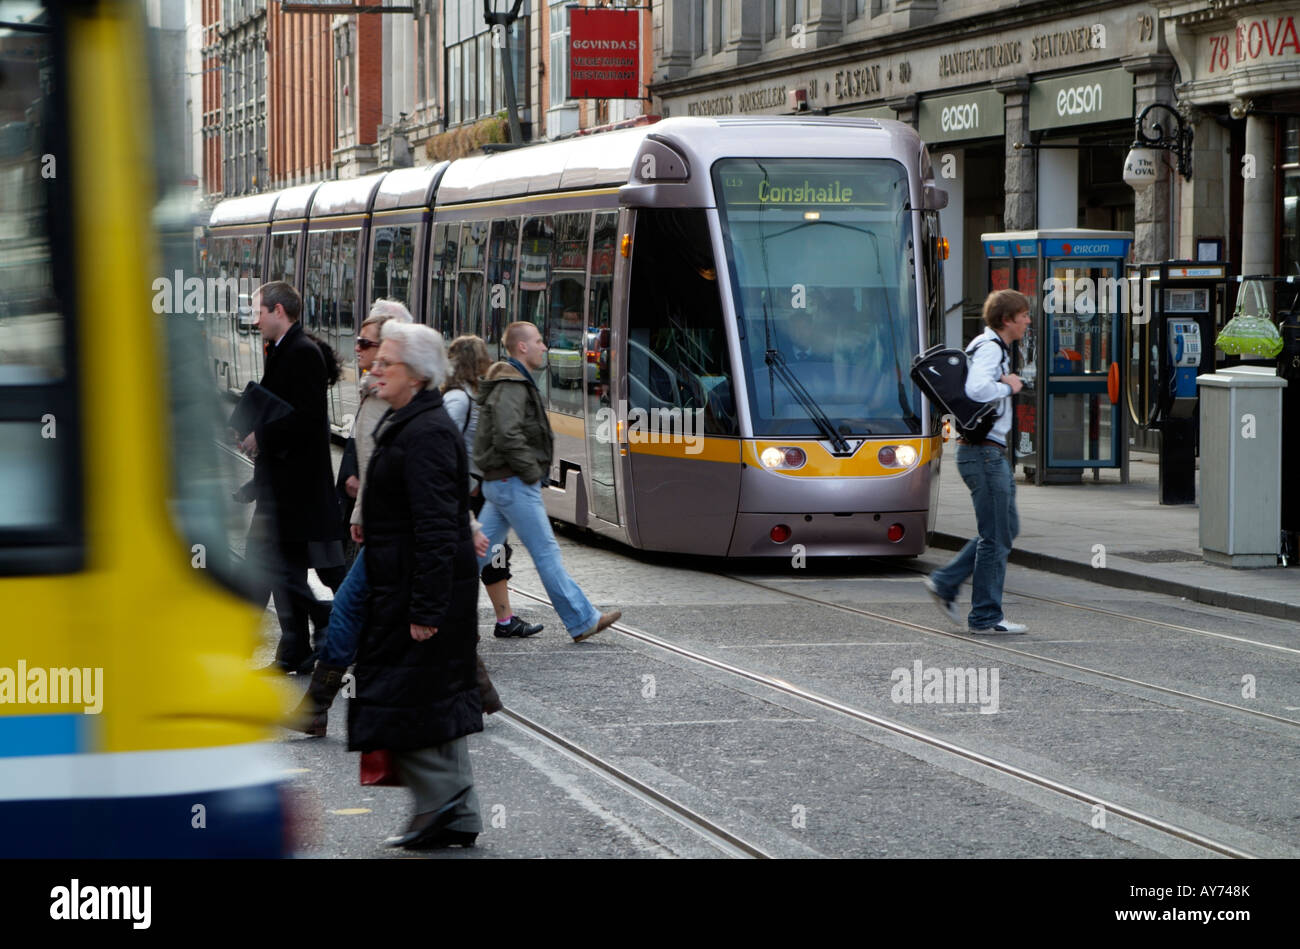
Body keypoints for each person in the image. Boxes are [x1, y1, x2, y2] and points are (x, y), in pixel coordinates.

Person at [347, 322, 483, 849]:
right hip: (409, 583)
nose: (375, 369)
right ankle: (460, 814)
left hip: (417, 589)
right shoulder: (412, 420)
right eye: (377, 361)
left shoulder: (425, 431)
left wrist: (426, 609)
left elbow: (434, 524)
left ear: (418, 374)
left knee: (401, 698)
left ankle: (442, 799)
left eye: (387, 364)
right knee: (436, 702)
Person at [474, 321, 621, 642]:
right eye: (539, 341)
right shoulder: (512, 384)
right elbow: (507, 433)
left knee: (476, 553)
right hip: (512, 483)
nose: (544, 347)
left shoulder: (515, 380)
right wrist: (530, 473)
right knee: (546, 553)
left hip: (501, 484)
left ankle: (434, 610)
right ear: (522, 347)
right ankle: (583, 620)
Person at [242, 280, 345, 674]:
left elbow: (305, 419)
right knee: (281, 566)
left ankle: (315, 623)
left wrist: (260, 436)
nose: (255, 320)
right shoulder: (284, 348)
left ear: (277, 312)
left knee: (270, 565)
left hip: (295, 488)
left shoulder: (301, 353)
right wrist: (252, 435)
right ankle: (296, 645)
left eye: (258, 312)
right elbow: (276, 407)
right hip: (282, 484)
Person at [924, 289, 1032, 635]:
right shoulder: (990, 349)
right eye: (1024, 315)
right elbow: (977, 390)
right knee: (995, 535)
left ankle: (946, 582)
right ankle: (985, 616)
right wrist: (1010, 387)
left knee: (1003, 530)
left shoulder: (986, 346)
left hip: (984, 453)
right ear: (1007, 320)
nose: (1028, 321)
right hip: (984, 454)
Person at [442, 334, 544, 640]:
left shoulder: (473, 394)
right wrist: (467, 482)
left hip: (477, 487)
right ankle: (456, 620)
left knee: (493, 550)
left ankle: (503, 620)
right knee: (474, 553)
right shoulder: (459, 399)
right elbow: (446, 446)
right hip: (466, 490)